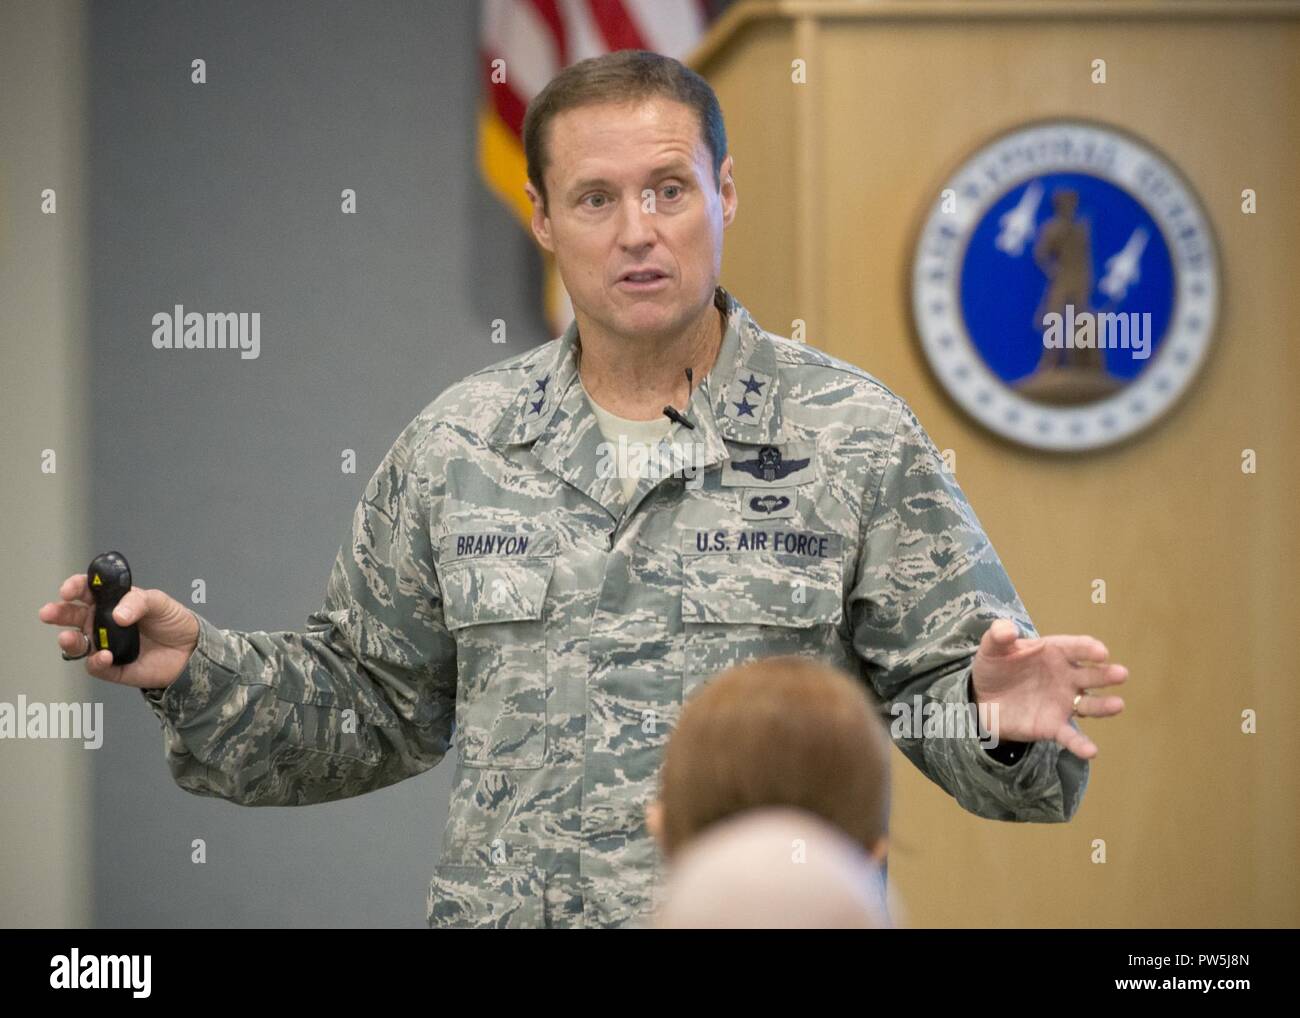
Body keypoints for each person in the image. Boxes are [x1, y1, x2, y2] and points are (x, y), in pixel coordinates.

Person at [38, 50, 1127, 929]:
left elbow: (956, 712)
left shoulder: (852, 436)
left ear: (724, 192)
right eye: (596, 198)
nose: (638, 230)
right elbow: (371, 704)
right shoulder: (459, 443)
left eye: (668, 189)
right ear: (545, 218)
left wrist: (992, 720)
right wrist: (198, 668)